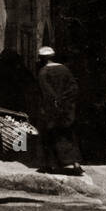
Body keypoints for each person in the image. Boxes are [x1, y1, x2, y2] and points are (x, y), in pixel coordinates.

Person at [34, 46, 81, 174]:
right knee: (67, 135)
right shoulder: (65, 70)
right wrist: (65, 103)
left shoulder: (43, 72)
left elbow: (46, 93)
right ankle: (75, 163)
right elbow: (74, 88)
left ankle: (48, 165)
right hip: (65, 110)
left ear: (42, 59)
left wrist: (54, 103)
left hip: (50, 111)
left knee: (47, 136)